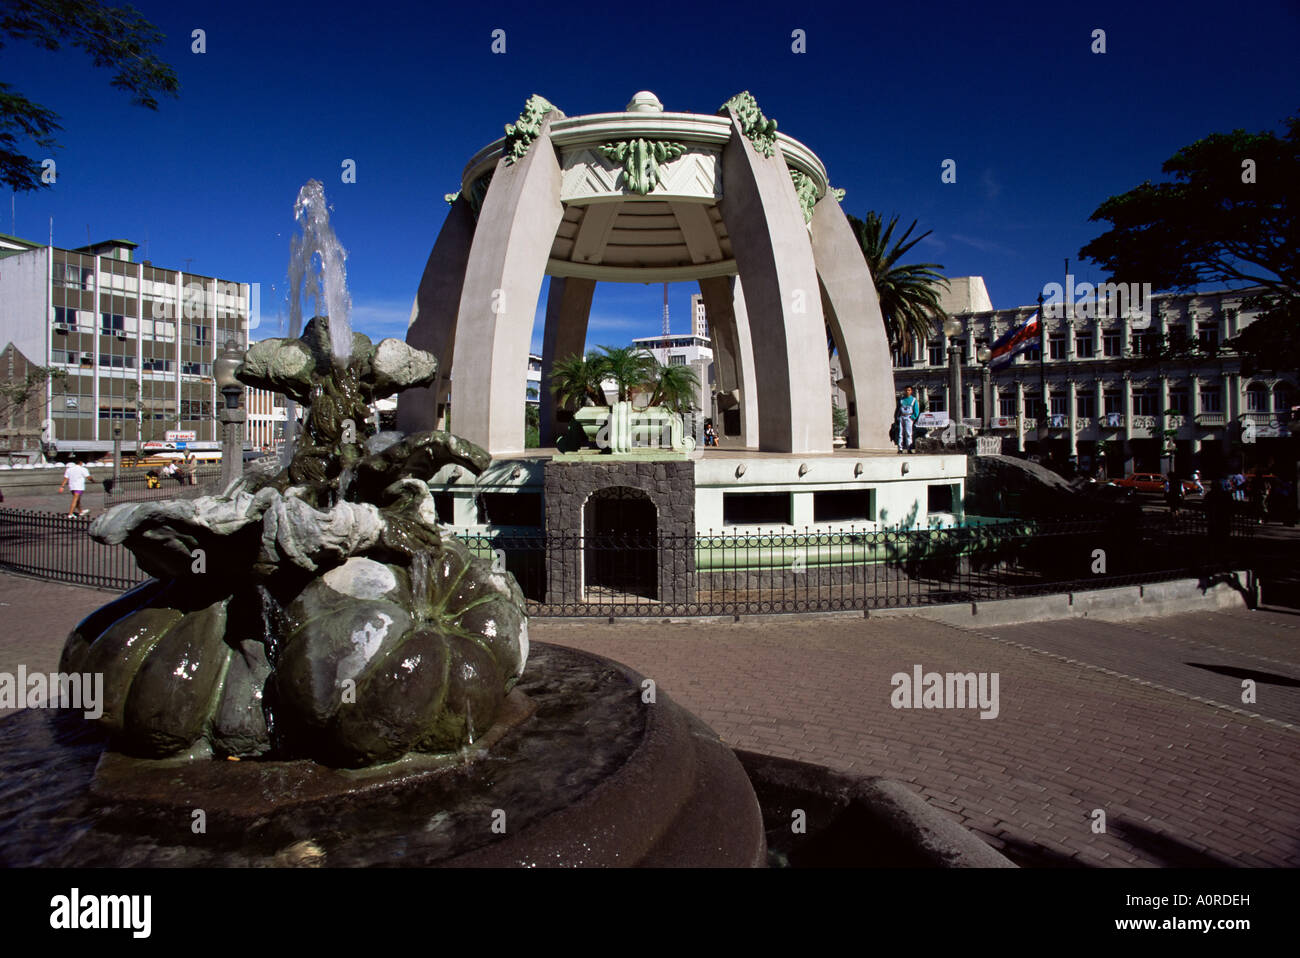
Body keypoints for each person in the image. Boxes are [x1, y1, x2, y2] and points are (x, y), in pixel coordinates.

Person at [896, 386, 919, 454]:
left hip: (909, 417)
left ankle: (909, 448)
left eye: (909, 390)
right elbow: (898, 409)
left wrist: (913, 417)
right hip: (902, 417)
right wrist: (897, 417)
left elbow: (916, 410)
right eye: (906, 390)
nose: (907, 392)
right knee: (900, 433)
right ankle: (900, 448)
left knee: (908, 433)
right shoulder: (901, 400)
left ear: (911, 391)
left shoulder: (914, 400)